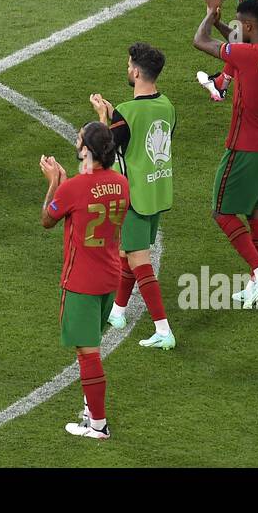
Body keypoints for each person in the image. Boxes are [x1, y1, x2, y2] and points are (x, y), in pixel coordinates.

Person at [192, 0, 258, 309]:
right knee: (256, 210)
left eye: (238, 23)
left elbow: (200, 41)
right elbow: (240, 43)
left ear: (248, 27)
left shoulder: (246, 56)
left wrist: (209, 15)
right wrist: (222, 20)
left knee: (222, 211)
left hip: (245, 147)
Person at [41, 122, 128, 440]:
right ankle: (92, 410)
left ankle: (98, 425)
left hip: (81, 282)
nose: (75, 143)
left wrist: (54, 183)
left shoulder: (74, 188)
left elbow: (48, 219)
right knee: (92, 347)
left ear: (87, 151)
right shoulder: (121, 183)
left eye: (78, 140)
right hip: (110, 278)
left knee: (88, 354)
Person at [90, 42, 176, 349]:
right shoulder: (167, 105)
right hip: (158, 190)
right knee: (128, 253)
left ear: (137, 72)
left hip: (135, 196)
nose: (127, 69)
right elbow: (142, 134)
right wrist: (115, 115)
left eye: (129, 65)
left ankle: (163, 329)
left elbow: (102, 152)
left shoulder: (126, 114)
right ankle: (118, 311)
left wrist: (103, 117)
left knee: (139, 260)